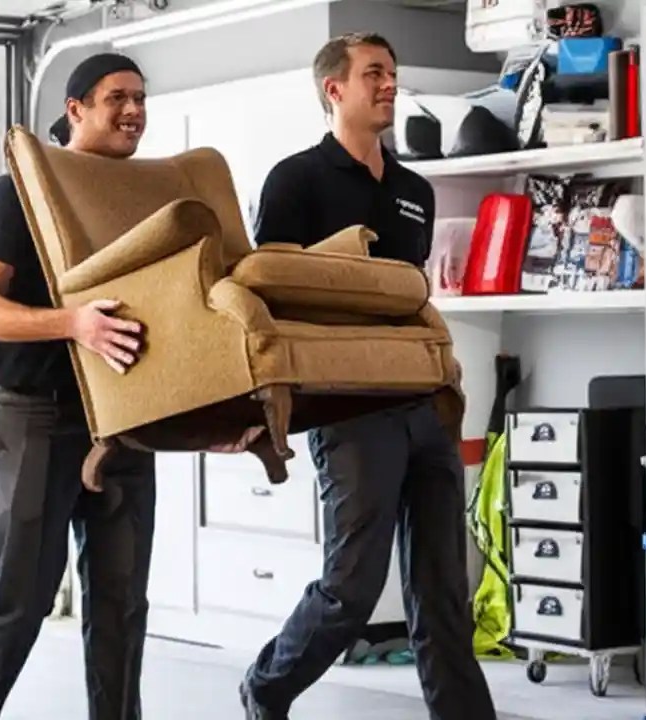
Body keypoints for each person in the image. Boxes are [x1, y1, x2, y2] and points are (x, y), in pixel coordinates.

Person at [238, 33, 498, 720]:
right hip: (348, 410)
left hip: (425, 405)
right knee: (352, 588)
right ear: (335, 90)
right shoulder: (294, 180)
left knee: (444, 590)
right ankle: (267, 684)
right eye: (373, 74)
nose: (388, 84)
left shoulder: (414, 191)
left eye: (392, 73)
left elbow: (414, 295)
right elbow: (270, 297)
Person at [0, 52, 157, 720]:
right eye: (117, 97)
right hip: (36, 416)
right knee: (22, 597)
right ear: (75, 110)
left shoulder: (136, 200)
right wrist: (75, 325)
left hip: (124, 421)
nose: (133, 112)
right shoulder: (15, 194)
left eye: (141, 99)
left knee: (121, 604)